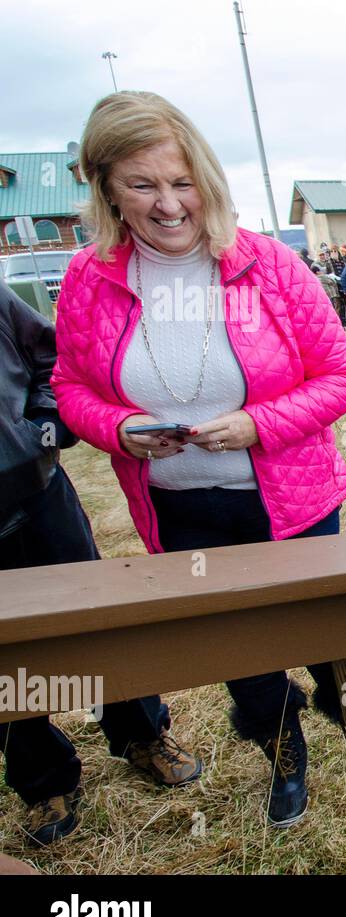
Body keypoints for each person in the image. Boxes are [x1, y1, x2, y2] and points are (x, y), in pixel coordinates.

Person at [52, 91, 346, 828]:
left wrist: (259, 425)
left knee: (329, 642)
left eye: (181, 181)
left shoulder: (270, 268)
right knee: (244, 652)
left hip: (291, 503)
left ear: (207, 178)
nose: (167, 205)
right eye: (142, 185)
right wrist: (119, 427)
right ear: (105, 190)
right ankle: (282, 748)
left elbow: (341, 376)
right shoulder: (86, 281)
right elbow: (69, 385)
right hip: (182, 510)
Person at [1, 280, 203, 847]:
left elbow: (50, 358)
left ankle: (141, 732)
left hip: (34, 498)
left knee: (93, 618)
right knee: (5, 654)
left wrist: (39, 427)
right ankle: (42, 779)